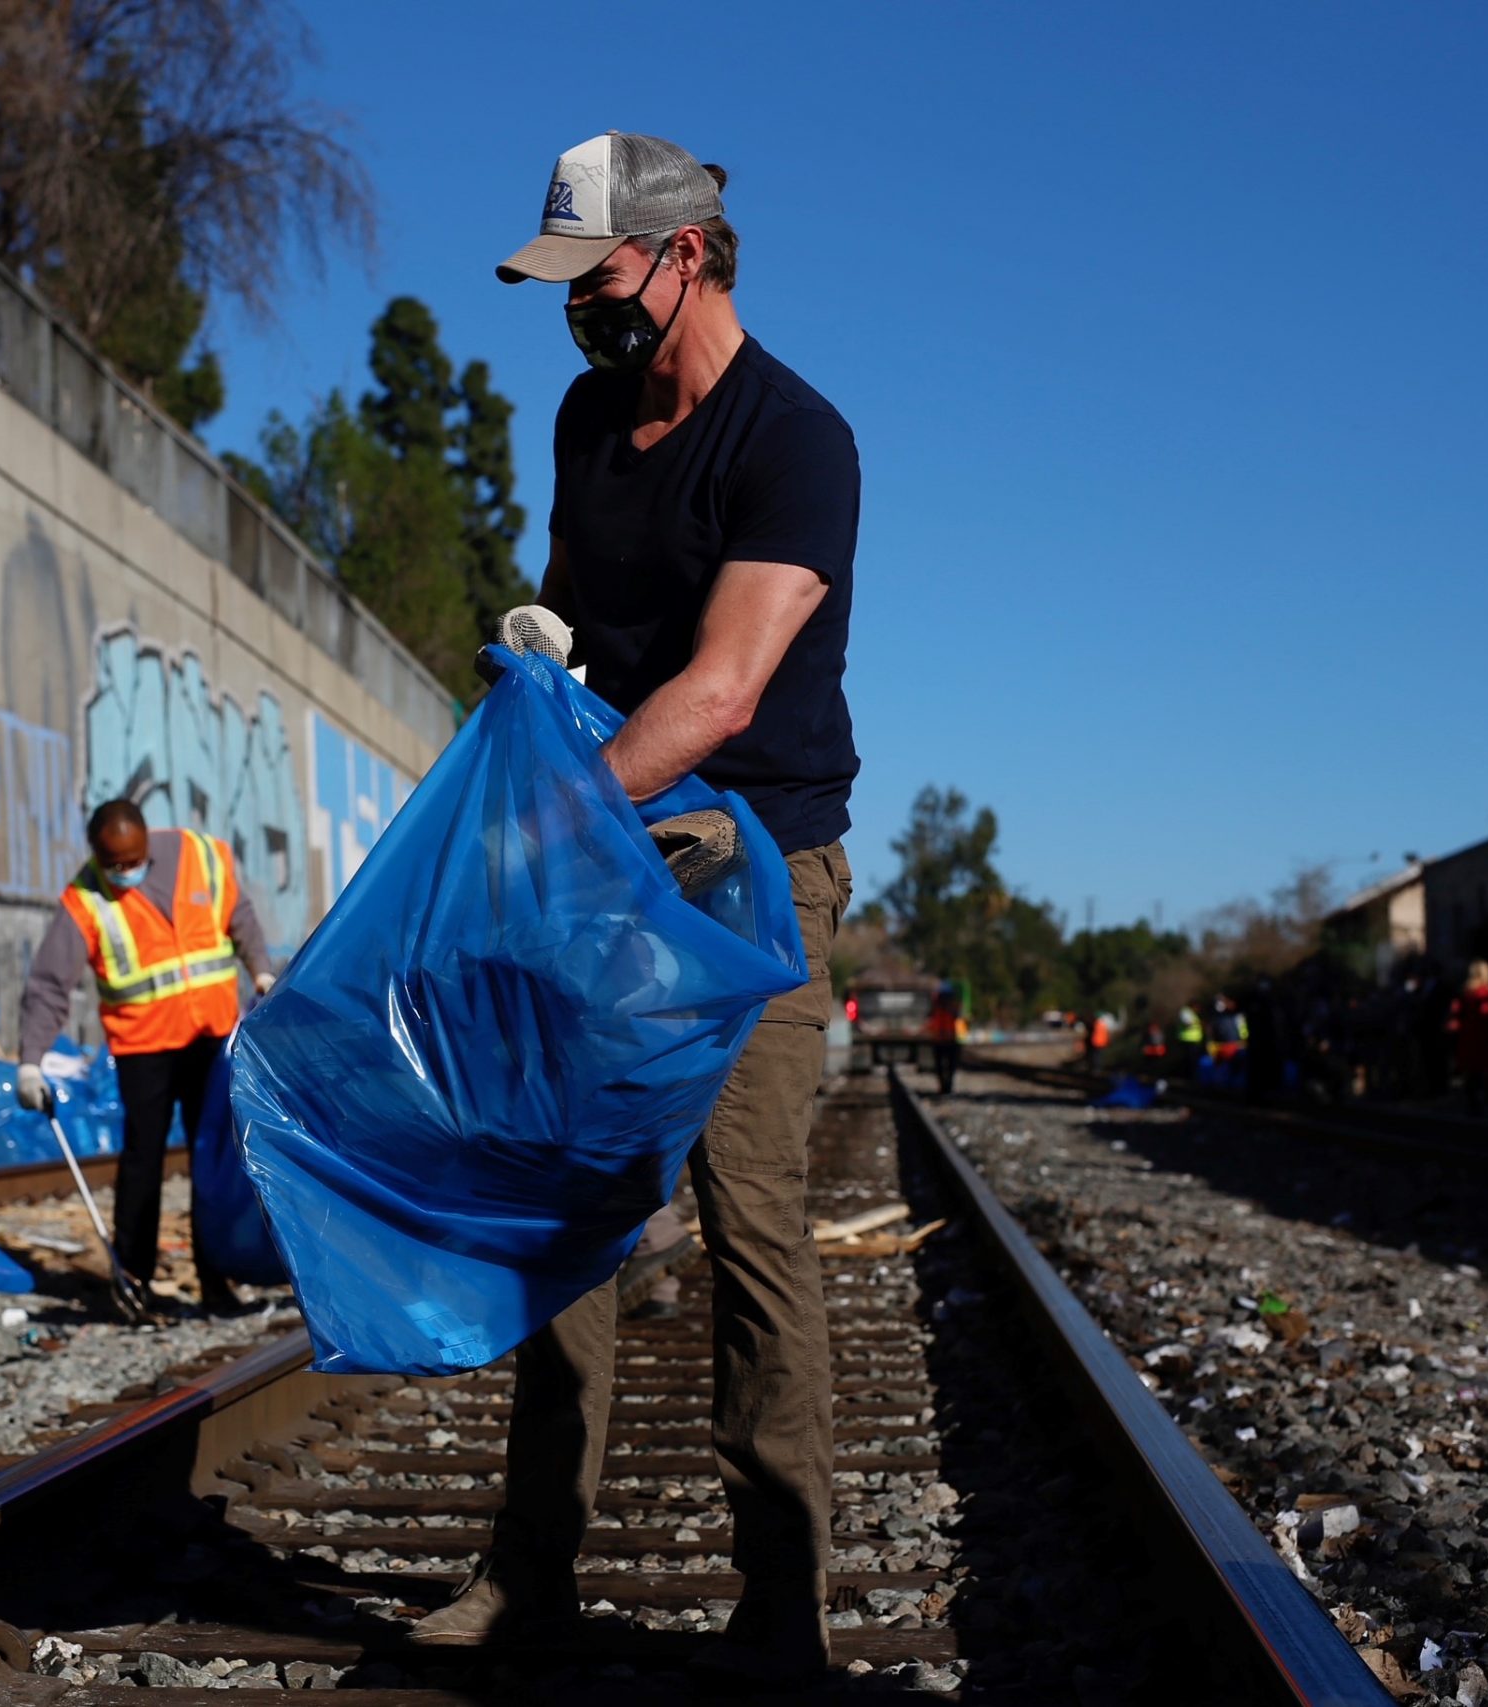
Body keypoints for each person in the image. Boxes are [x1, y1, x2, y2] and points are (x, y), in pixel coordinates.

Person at [408, 131, 860, 1687]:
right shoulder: (593, 416)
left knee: (750, 1221)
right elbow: (589, 640)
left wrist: (546, 813)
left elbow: (725, 689)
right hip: (607, 857)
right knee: (572, 1216)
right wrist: (534, 667)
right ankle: (528, 1576)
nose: (576, 312)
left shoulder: (798, 440)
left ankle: (783, 1600)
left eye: (593, 278)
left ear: (685, 254)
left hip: (750, 870)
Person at [15, 799, 276, 1314]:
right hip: (144, 1046)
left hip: (210, 1037)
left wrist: (261, 969)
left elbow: (237, 914)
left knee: (216, 1157)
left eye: (134, 861)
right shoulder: (84, 900)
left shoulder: (201, 856)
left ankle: (216, 1278)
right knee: (142, 1161)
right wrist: (30, 1059)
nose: (125, 872)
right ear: (95, 855)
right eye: (113, 865)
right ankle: (133, 1280)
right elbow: (50, 983)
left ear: (147, 844)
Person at [1448, 959, 1488, 1117]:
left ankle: (1474, 1107)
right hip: (1481, 1037)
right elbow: (1486, 1013)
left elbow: (1456, 1013)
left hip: (1467, 1037)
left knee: (1472, 1075)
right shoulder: (1486, 992)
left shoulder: (1465, 991)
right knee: (1487, 1072)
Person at [926, 980, 964, 1095]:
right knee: (948, 1066)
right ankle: (946, 1087)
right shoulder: (951, 1006)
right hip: (948, 1040)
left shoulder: (943, 1007)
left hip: (944, 1040)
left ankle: (946, 1087)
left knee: (943, 1066)